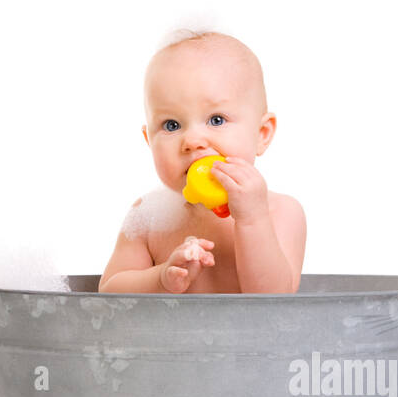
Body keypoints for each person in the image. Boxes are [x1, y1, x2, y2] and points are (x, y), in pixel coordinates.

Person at [99, 31, 307, 294]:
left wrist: (253, 218)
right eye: (171, 125)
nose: (193, 140)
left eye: (216, 119)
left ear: (261, 134)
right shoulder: (147, 218)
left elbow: (274, 300)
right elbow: (109, 292)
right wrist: (160, 279)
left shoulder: (281, 212)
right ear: (149, 140)